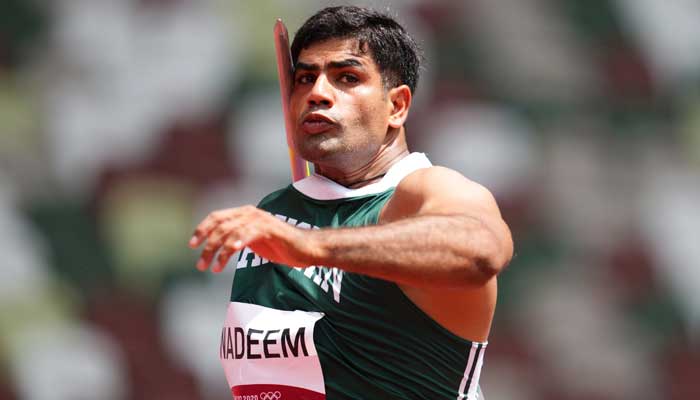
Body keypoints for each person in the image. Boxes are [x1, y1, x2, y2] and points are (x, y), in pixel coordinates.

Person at [189, 6, 513, 400]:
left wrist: (312, 246)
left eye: (347, 78)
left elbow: (482, 250)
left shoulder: (420, 192)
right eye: (305, 78)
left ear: (396, 106)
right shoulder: (276, 209)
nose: (318, 93)